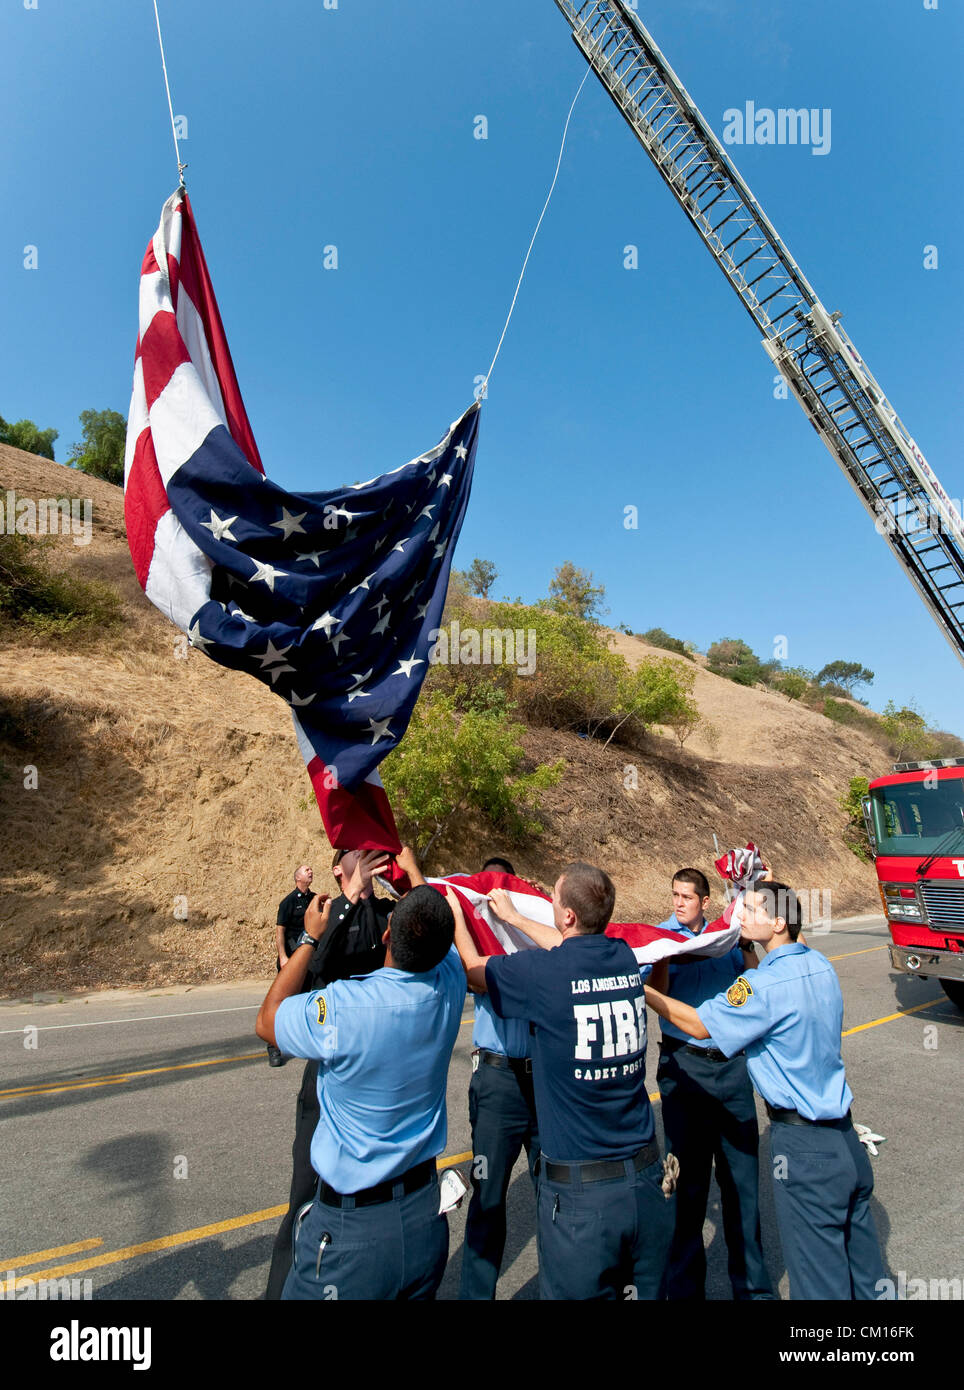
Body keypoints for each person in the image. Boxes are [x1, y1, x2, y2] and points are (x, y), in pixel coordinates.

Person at [644, 882, 887, 1301]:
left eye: (750, 908)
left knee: (820, 1285)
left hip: (806, 1149)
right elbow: (797, 945)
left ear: (777, 923)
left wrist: (642, 990)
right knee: (869, 1280)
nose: (739, 914)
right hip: (847, 1143)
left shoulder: (763, 987)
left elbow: (702, 1024)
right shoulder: (819, 965)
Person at [455, 861, 675, 1301]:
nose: (548, 904)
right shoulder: (625, 959)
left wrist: (458, 915)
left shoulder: (544, 974)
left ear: (568, 915)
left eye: (552, 899)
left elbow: (474, 969)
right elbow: (565, 946)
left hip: (584, 1199)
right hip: (645, 1182)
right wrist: (517, 919)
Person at [256, 881, 465, 1300]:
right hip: (424, 1220)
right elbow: (446, 933)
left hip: (352, 1234)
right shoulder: (452, 980)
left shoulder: (343, 1007)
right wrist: (414, 876)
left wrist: (310, 937)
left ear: (387, 934)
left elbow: (268, 1021)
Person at [655, 867, 773, 1300]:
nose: (679, 903)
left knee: (741, 1185)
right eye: (675, 895)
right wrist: (667, 954)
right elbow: (657, 996)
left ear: (705, 901)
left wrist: (742, 946)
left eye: (687, 896)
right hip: (683, 1069)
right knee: (686, 1188)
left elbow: (752, 982)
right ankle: (686, 1292)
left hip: (730, 1068)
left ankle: (754, 1290)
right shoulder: (663, 937)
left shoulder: (726, 936)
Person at [458, 871, 545, 1301]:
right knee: (487, 1197)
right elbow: (476, 976)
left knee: (555, 1195)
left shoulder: (537, 943)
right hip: (497, 1084)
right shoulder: (479, 949)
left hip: (544, 1083)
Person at [267, 865, 317, 1067]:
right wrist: (283, 957)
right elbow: (280, 932)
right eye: (306, 870)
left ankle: (302, 1042)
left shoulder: (314, 899)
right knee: (282, 1003)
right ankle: (273, 1047)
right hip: (291, 959)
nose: (310, 872)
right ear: (298, 877)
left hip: (309, 960)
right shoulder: (288, 902)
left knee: (307, 1001)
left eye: (311, 870)